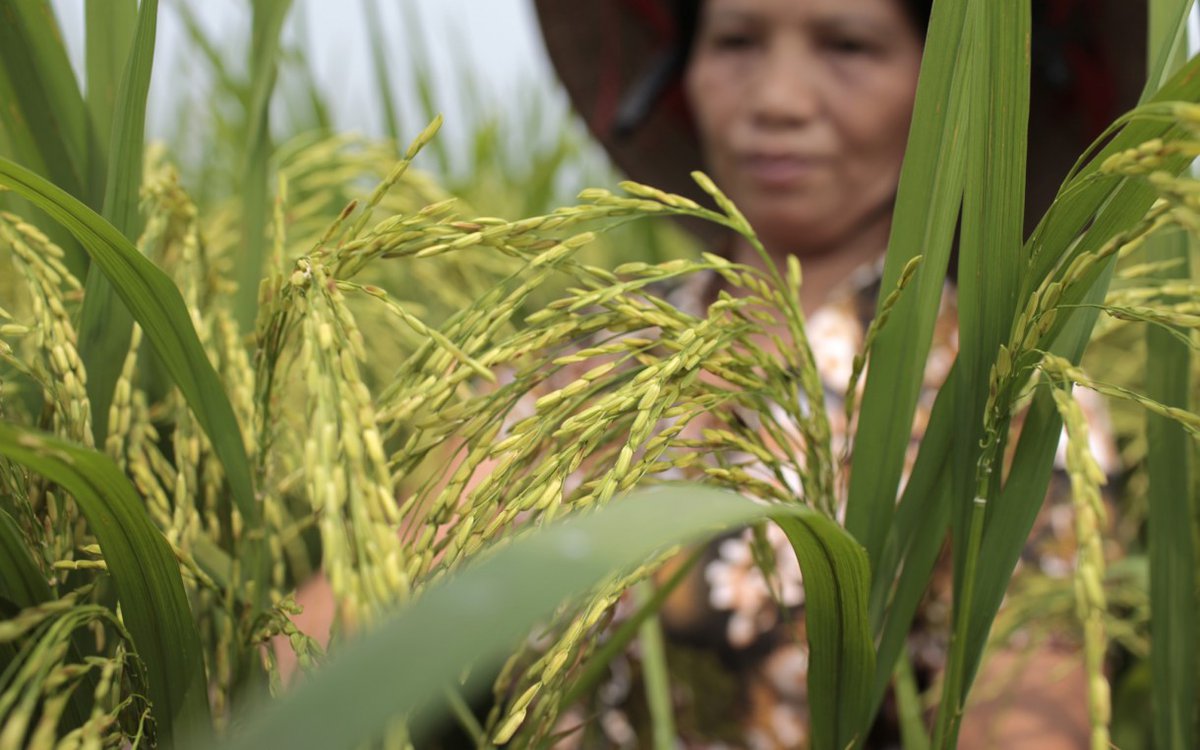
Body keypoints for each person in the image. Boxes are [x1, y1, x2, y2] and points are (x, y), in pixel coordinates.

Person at [533, 0, 1134, 747]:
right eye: (737, 40)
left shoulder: (1005, 399)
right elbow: (365, 614)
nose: (778, 100)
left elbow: (1029, 711)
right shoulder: (580, 361)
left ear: (945, 83)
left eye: (847, 45)